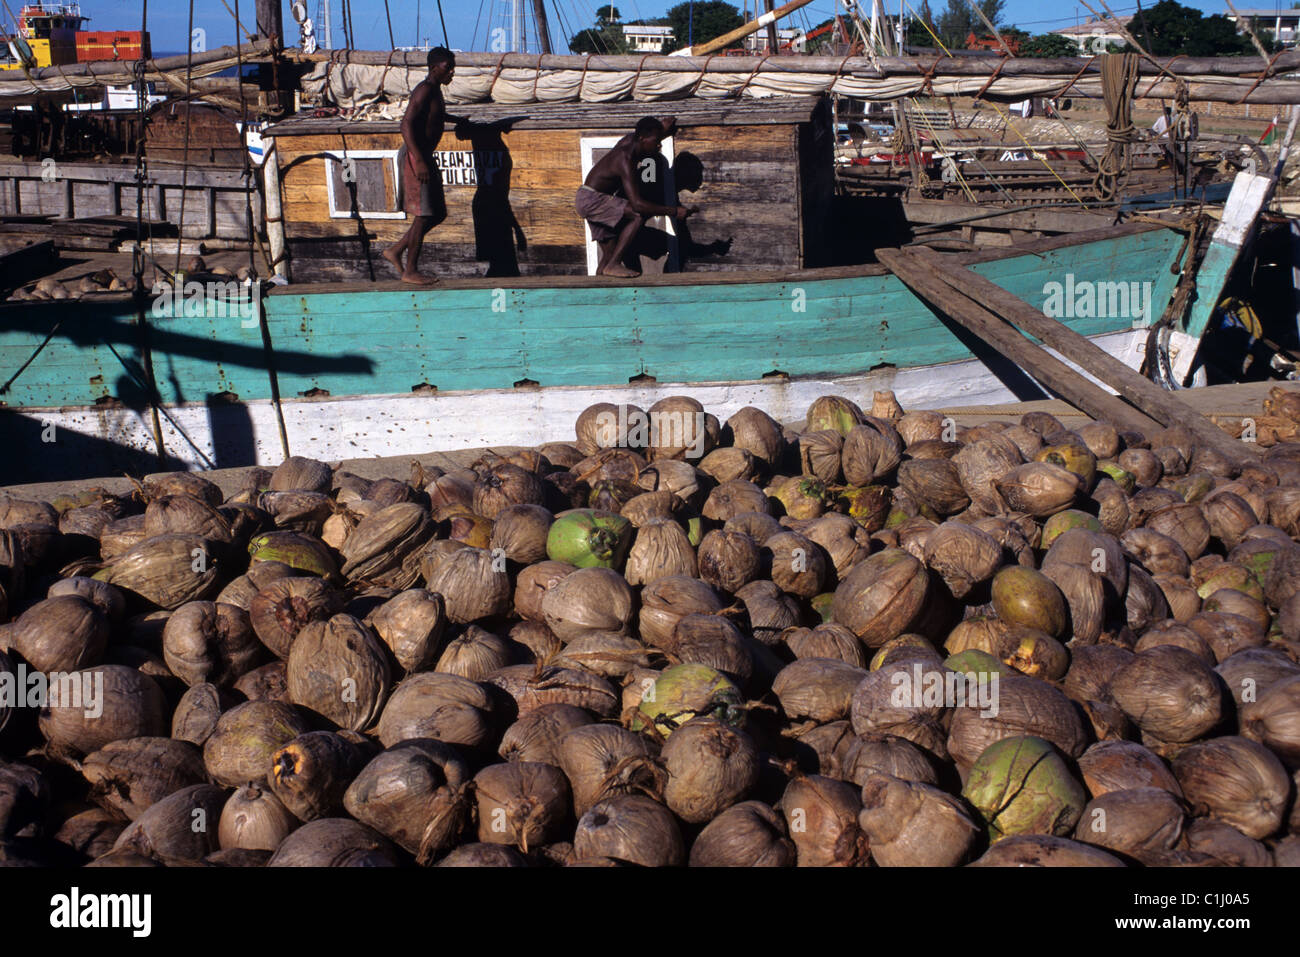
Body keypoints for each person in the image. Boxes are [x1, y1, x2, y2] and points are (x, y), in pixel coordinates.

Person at [383, 47, 466, 285]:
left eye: (452, 68)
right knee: (422, 215)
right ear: (433, 68)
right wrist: (418, 159)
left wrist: (457, 120)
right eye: (447, 68)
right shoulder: (425, 89)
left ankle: (396, 250)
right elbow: (406, 123)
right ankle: (410, 270)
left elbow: (433, 117)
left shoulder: (435, 91)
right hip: (416, 156)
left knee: (437, 213)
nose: (451, 72)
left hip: (424, 156)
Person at [576, 116, 697, 278]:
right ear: (642, 139)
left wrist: (660, 128)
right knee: (638, 215)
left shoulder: (632, 141)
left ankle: (600, 292)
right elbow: (638, 205)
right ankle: (614, 265)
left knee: (608, 254)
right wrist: (674, 211)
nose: (659, 144)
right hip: (593, 200)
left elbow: (647, 134)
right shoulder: (625, 159)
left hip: (588, 199)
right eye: (656, 141)